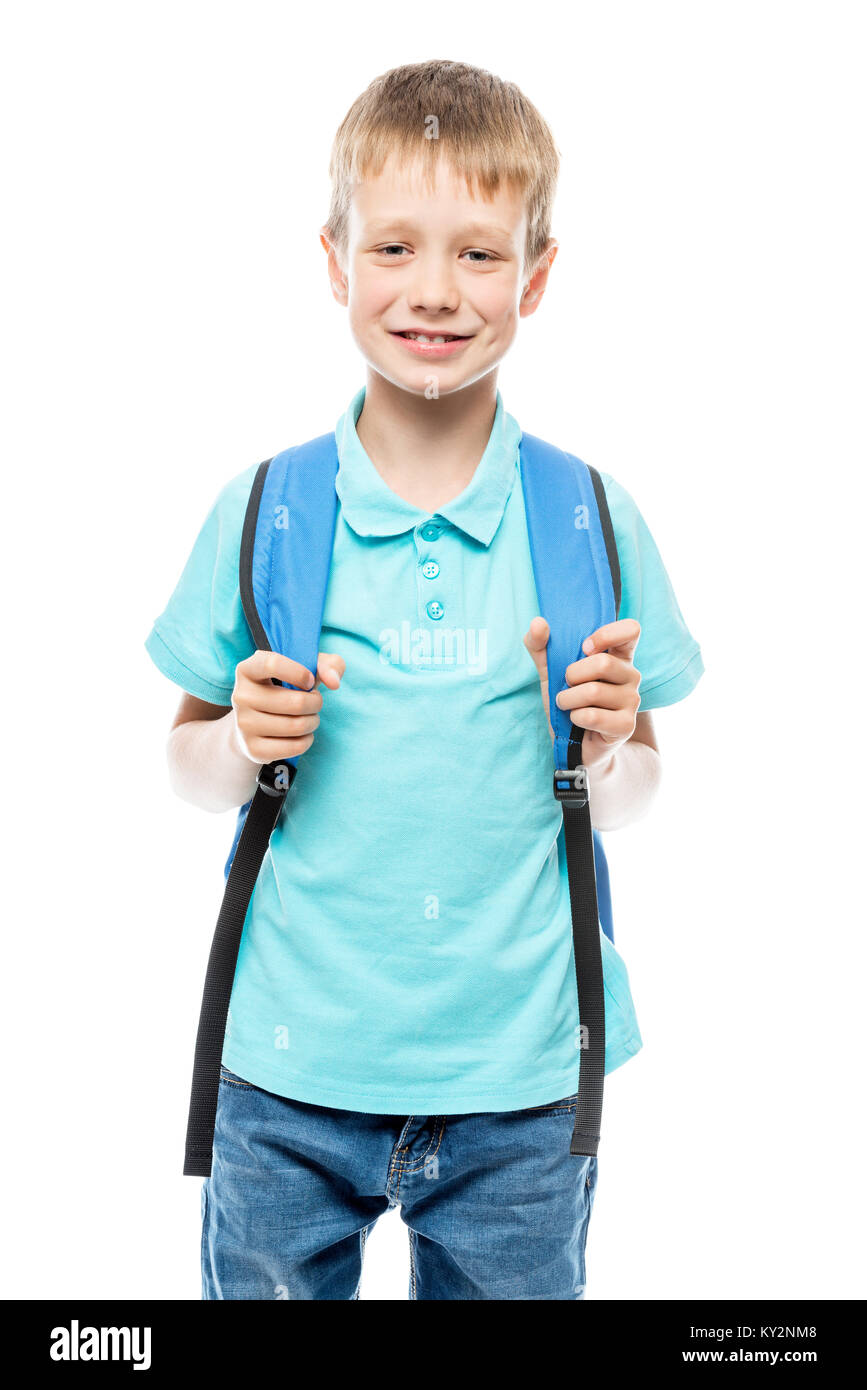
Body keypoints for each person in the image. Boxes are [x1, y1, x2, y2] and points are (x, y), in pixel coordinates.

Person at [146, 59, 703, 1300]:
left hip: (523, 1086)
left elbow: (634, 795)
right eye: (394, 247)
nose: (434, 292)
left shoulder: (591, 519)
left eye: (478, 254)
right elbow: (186, 767)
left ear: (537, 274)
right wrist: (241, 739)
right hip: (286, 1073)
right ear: (336, 260)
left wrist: (610, 750)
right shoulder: (269, 510)